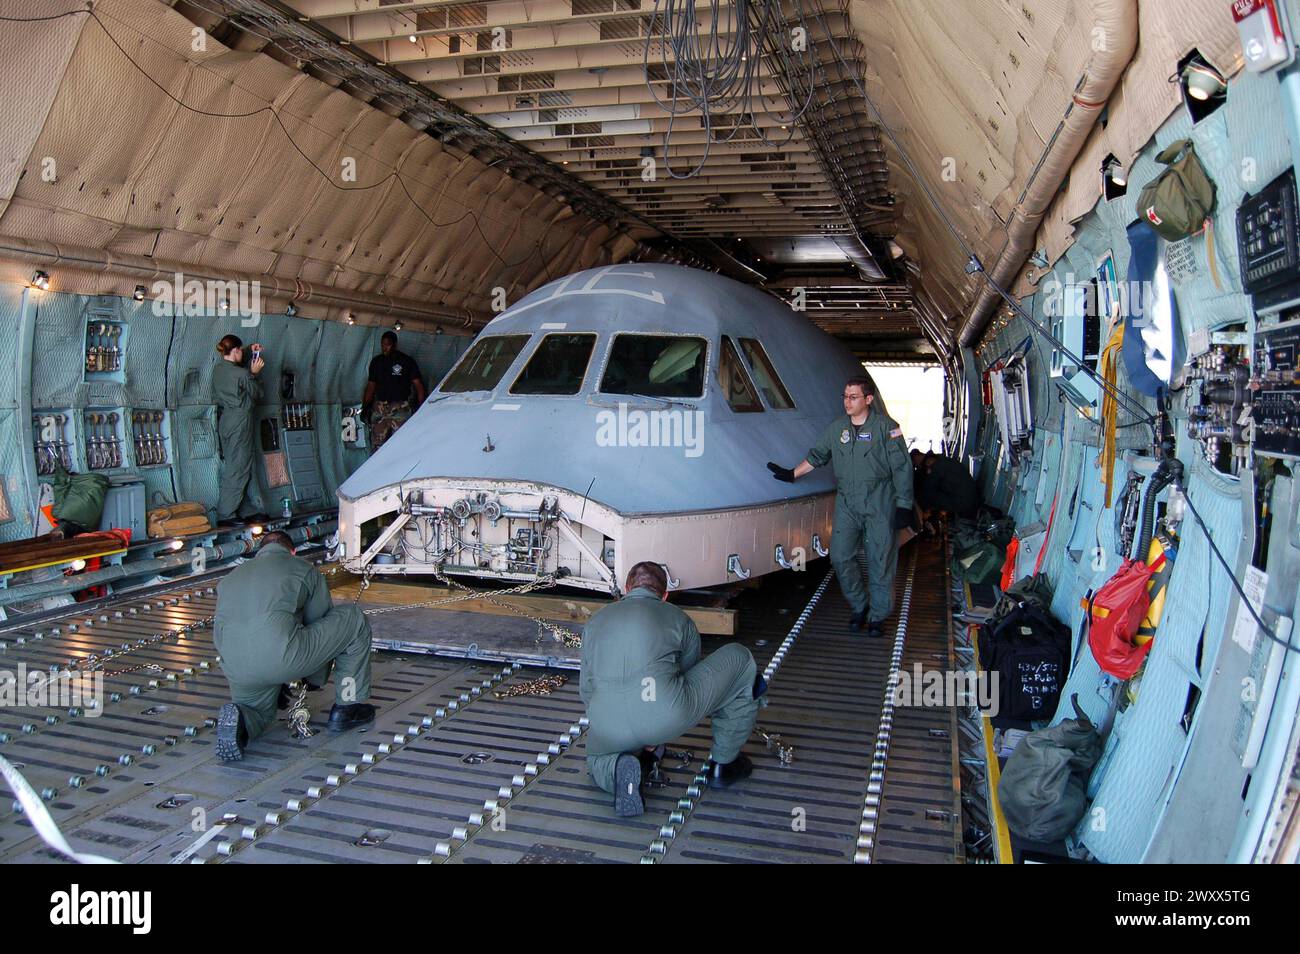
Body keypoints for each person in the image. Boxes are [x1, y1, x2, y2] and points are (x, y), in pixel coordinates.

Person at [580, 561, 763, 816]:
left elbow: (587, 688)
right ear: (665, 596)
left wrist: (612, 721)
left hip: (605, 721)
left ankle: (618, 767)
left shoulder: (595, 622)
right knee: (740, 659)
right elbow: (686, 675)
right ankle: (724, 763)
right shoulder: (679, 619)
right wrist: (655, 729)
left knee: (597, 759)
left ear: (626, 588)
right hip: (664, 713)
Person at [767, 375, 914, 638]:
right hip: (847, 502)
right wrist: (792, 474)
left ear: (868, 400)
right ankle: (859, 606)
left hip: (880, 501)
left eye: (853, 397)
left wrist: (903, 504)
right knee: (840, 555)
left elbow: (903, 467)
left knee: (881, 560)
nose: (847, 401)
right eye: (845, 396)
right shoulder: (838, 429)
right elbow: (817, 456)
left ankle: (878, 615)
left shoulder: (888, 428)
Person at [213, 531, 376, 761]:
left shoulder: (231, 577)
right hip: (283, 656)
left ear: (260, 551)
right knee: (352, 618)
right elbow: (318, 620)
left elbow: (220, 630)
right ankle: (347, 708)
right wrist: (312, 679)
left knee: (257, 710)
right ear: (292, 551)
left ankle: (241, 720)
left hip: (235, 665)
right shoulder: (302, 569)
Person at [211, 334, 269, 528]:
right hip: (240, 422)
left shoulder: (219, 370)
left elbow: (238, 371)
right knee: (239, 468)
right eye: (240, 351)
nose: (241, 354)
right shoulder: (242, 374)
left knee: (237, 464)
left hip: (226, 420)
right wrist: (254, 373)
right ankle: (226, 513)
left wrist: (251, 353)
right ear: (235, 351)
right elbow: (257, 393)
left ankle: (243, 509)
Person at [363, 332, 426, 450]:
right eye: (383, 345)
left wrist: (421, 406)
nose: (384, 348)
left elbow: (418, 385)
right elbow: (371, 386)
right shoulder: (377, 362)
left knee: (402, 445)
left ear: (395, 345)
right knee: (377, 445)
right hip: (380, 408)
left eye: (388, 345)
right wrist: (365, 406)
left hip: (400, 408)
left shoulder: (406, 361)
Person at [915, 451, 980, 519]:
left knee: (928, 497)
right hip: (972, 499)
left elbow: (928, 491)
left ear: (927, 462)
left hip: (965, 504)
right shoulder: (947, 460)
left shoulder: (936, 468)